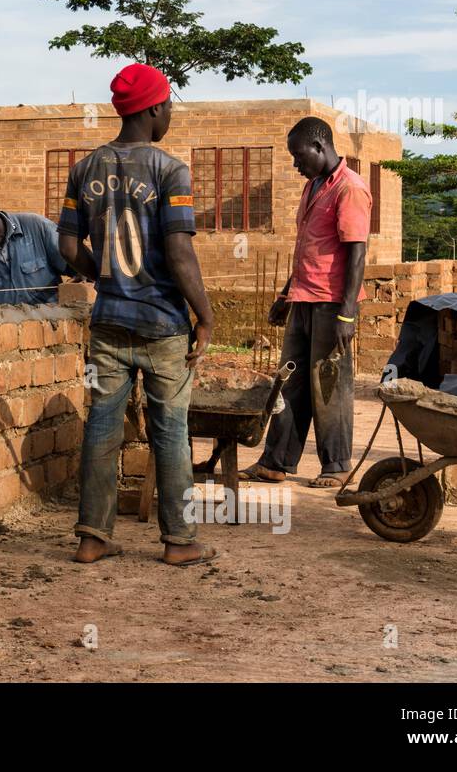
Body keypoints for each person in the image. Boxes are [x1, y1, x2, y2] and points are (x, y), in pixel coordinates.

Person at [57, 63, 217, 567]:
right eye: (168, 105)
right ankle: (179, 541)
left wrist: (102, 275)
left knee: (103, 426)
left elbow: (66, 246)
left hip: (108, 320)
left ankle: (92, 538)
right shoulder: (172, 171)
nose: (169, 113)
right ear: (153, 109)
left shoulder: (83, 169)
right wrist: (205, 315)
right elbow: (180, 253)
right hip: (163, 324)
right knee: (170, 429)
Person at [240, 116, 370, 488]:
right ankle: (275, 462)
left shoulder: (350, 188)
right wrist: (285, 294)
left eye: (299, 157)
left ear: (319, 146)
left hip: (332, 304)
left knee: (328, 384)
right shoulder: (313, 186)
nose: (296, 164)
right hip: (304, 298)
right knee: (290, 382)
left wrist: (348, 314)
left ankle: (337, 465)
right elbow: (306, 250)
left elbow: (357, 254)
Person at [0, 197, 73, 307]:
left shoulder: (36, 227)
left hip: (52, 324)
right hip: (3, 327)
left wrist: (82, 273)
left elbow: (73, 263)